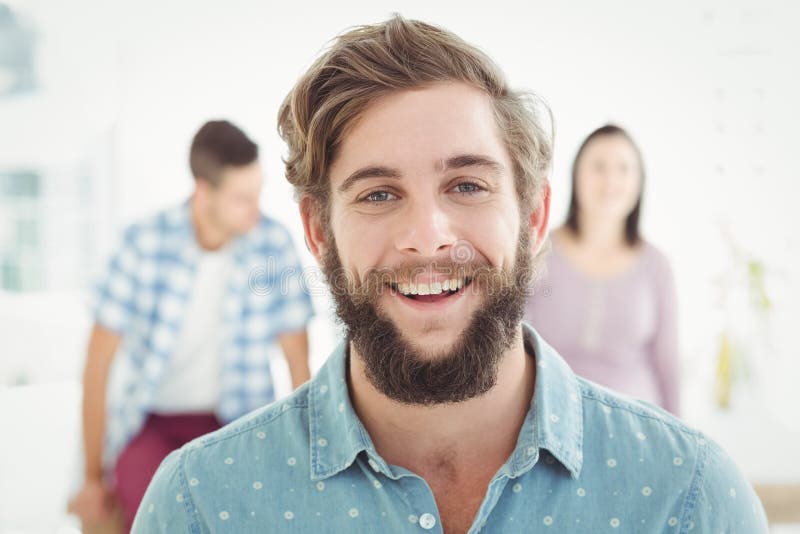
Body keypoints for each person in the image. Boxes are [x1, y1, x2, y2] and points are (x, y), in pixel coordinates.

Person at [133, 17, 767, 533]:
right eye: (378, 194)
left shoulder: (690, 497)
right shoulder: (200, 507)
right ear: (319, 230)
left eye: (467, 185)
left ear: (534, 214)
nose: (428, 235)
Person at [68, 120, 314, 532]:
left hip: (240, 423)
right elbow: (97, 366)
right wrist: (91, 478)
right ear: (203, 193)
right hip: (151, 424)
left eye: (257, 195)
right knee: (152, 512)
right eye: (241, 199)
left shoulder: (274, 244)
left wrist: (307, 457)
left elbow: (298, 363)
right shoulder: (143, 243)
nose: (255, 211)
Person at [525, 125, 680, 414]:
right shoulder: (540, 253)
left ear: (640, 182)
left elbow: (668, 364)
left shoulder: (656, 265)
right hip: (552, 416)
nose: (610, 180)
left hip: (640, 426)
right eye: (598, 167)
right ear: (576, 175)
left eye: (623, 168)